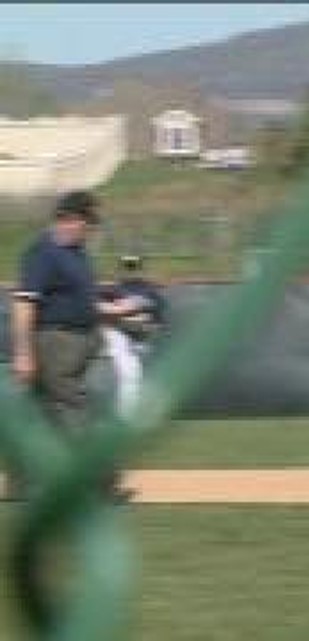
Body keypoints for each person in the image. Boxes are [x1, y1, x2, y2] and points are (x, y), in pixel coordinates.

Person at [8, 190, 141, 501]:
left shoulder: (76, 253)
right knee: (76, 410)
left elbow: (81, 301)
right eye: (87, 223)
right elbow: (24, 303)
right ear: (68, 219)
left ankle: (21, 484)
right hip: (56, 342)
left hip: (79, 340)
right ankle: (102, 483)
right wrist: (24, 353)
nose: (90, 230)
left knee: (35, 414)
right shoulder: (43, 252)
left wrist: (114, 311)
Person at [99, 254, 167, 417]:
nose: (130, 270)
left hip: (140, 338)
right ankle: (126, 416)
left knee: (137, 377)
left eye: (133, 266)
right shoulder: (111, 290)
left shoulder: (150, 291)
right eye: (127, 266)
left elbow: (159, 320)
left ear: (140, 268)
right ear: (121, 269)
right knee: (130, 374)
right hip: (119, 335)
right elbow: (97, 311)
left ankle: (135, 412)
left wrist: (150, 329)